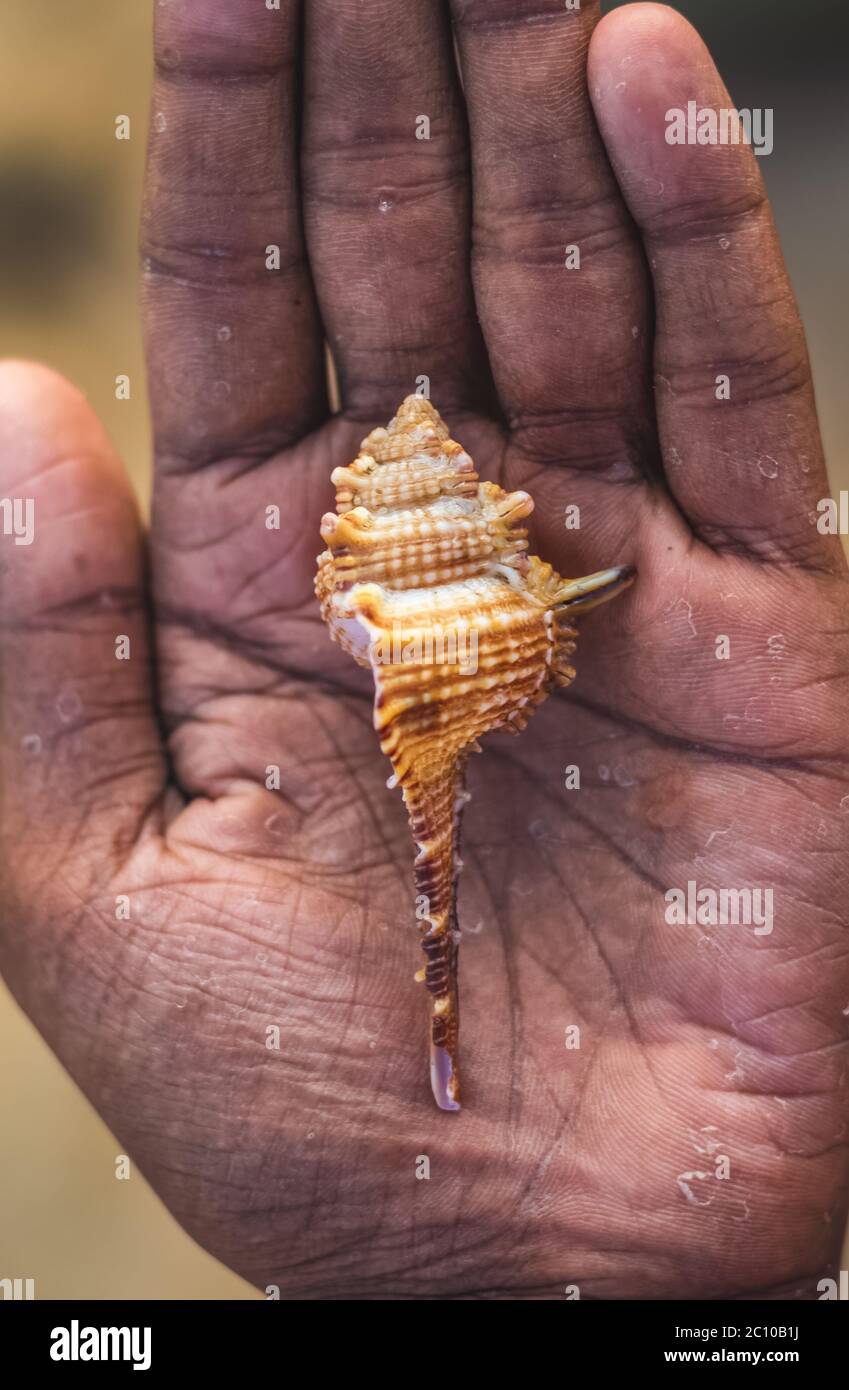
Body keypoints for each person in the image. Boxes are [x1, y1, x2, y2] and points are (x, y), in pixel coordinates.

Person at [1, 1, 846, 1300]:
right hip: (436, 599)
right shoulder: (462, 607)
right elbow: (563, 592)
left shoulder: (436, 603)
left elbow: (563, 591)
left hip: (435, 598)